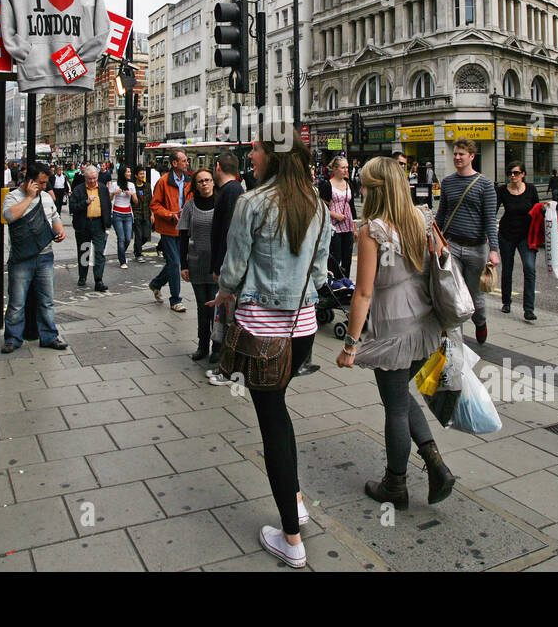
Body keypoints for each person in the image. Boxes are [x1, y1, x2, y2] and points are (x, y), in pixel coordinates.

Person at [211, 139, 332, 568]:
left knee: (273, 423)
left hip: (262, 330)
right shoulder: (316, 204)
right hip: (302, 330)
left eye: (257, 151)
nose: (251, 158)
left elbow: (235, 264)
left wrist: (225, 292)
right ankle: (295, 501)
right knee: (278, 407)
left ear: (275, 156)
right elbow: (320, 269)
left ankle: (292, 539)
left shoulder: (252, 202)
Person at [335, 156, 454, 508]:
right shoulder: (421, 218)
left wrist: (350, 344)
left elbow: (364, 292)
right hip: (426, 323)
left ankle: (395, 484)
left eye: (365, 185)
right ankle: (436, 465)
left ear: (374, 190)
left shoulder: (371, 231)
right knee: (402, 396)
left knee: (395, 408)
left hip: (394, 328)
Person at [436, 137, 499, 344]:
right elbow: (442, 214)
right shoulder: (447, 182)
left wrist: (494, 250)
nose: (457, 157)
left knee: (475, 297)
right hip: (452, 245)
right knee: (454, 295)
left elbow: (490, 219)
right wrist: (435, 237)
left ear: (472, 156)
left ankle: (480, 322)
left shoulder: (485, 185)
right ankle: (456, 341)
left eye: (461, 154)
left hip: (476, 248)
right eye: (455, 154)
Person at [1, 164, 67, 353]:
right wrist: (30, 197)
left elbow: (54, 216)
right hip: (22, 257)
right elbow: (9, 216)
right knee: (17, 301)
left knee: (47, 300)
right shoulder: (13, 197)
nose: (44, 187)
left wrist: (60, 229)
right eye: (40, 183)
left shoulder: (46, 197)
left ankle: (49, 336)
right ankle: (13, 338)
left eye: (46, 183)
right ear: (29, 181)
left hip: (45, 255)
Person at [179, 168, 218, 362]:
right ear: (195, 185)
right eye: (201, 181)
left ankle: (218, 347)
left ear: (213, 182)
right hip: (196, 263)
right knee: (203, 308)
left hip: (216, 265)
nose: (205, 184)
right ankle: (203, 345)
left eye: (208, 180)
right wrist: (183, 264)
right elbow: (183, 236)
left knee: (216, 309)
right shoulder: (190, 206)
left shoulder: (221, 204)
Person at [149, 149, 192, 312]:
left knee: (175, 262)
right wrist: (169, 214)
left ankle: (156, 283)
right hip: (168, 228)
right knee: (174, 263)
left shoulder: (189, 181)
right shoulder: (163, 181)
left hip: (184, 228)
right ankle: (175, 299)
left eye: (187, 160)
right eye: (184, 161)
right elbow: (154, 205)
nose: (187, 163)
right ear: (174, 163)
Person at [498, 161, 540, 321]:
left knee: (530, 269)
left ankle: (529, 309)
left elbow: (537, 210)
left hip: (526, 235)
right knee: (507, 269)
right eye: (510, 173)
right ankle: (506, 302)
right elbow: (492, 209)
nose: (512, 176)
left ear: (523, 174)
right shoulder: (502, 190)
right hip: (506, 234)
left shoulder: (531, 189)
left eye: (516, 173)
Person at [70, 165, 111, 292]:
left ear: (97, 177)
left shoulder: (103, 189)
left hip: (98, 223)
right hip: (83, 224)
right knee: (84, 251)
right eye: (89, 179)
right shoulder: (78, 190)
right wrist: (86, 202)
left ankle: (98, 280)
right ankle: (82, 276)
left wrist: (108, 223)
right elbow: (73, 207)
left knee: (99, 252)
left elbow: (107, 206)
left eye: (94, 178)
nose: (92, 181)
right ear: (85, 178)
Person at [318, 155, 358, 280]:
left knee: (347, 258)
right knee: (335, 257)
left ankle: (346, 282)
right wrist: (335, 215)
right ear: (334, 169)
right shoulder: (326, 185)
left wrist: (355, 228)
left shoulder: (349, 184)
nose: (346, 170)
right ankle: (334, 282)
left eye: (347, 167)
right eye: (342, 167)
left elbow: (352, 207)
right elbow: (320, 207)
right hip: (333, 227)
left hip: (348, 226)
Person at [109, 165, 137, 269]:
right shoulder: (115, 185)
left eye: (130, 171)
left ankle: (121, 253)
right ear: (123, 173)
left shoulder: (131, 185)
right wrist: (114, 193)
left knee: (128, 239)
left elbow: (136, 201)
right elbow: (109, 198)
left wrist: (132, 194)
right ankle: (122, 260)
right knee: (121, 238)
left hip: (128, 214)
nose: (129, 173)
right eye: (128, 172)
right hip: (117, 213)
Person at [131, 166, 153, 262]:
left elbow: (151, 201)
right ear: (136, 175)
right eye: (140, 174)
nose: (142, 175)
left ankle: (136, 247)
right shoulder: (132, 187)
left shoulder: (147, 186)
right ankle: (138, 254)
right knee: (139, 235)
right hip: (136, 213)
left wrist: (152, 214)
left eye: (143, 174)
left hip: (146, 213)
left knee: (146, 236)